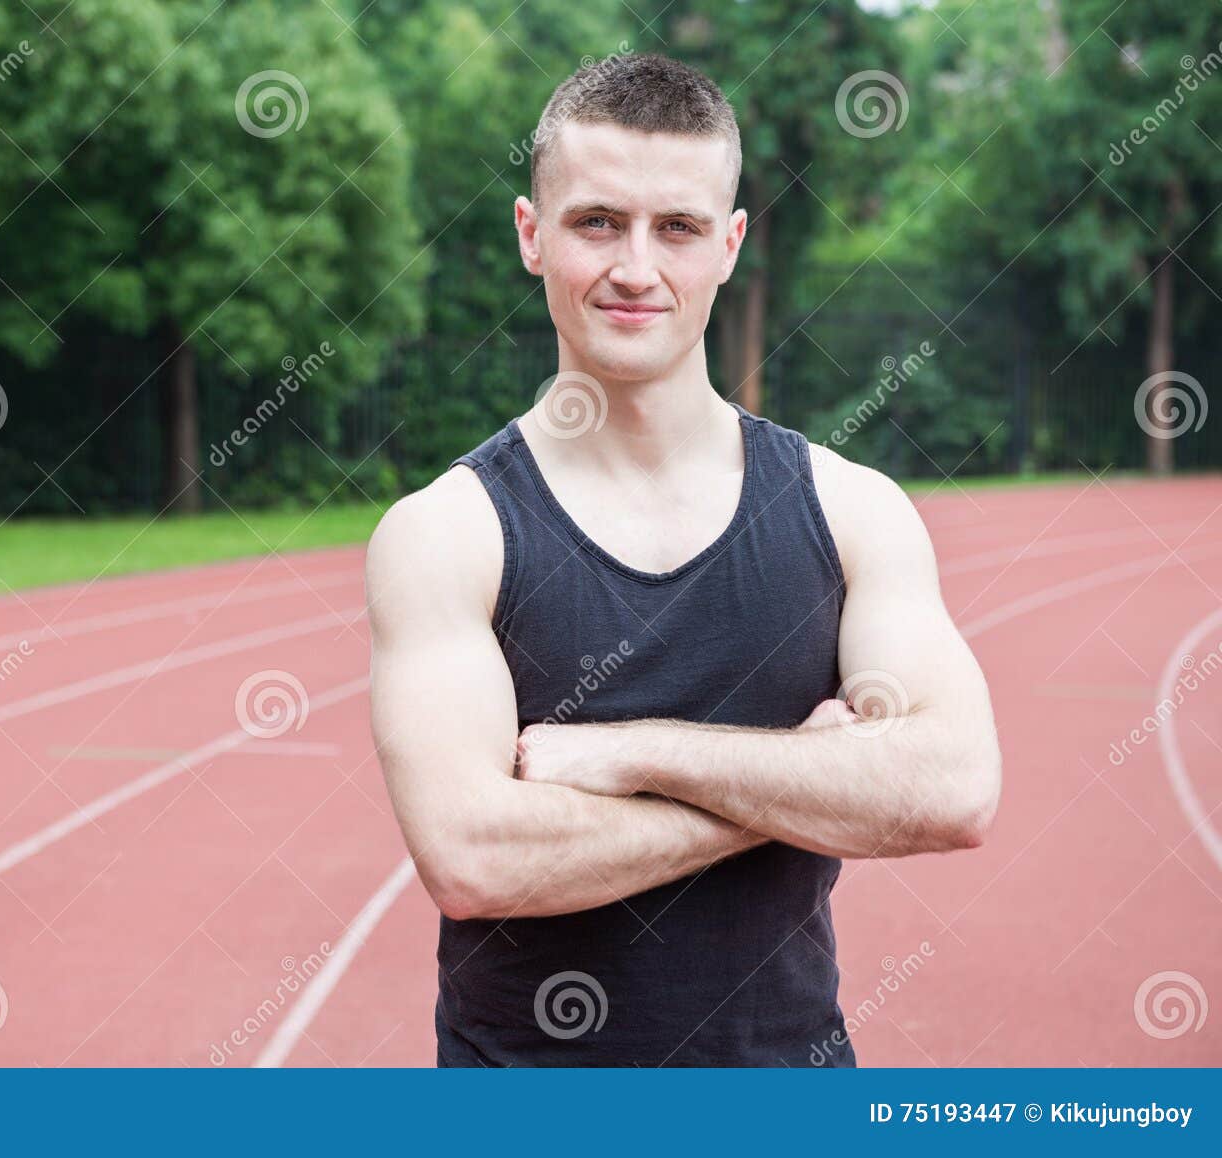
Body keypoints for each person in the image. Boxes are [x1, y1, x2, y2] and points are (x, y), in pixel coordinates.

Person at [363, 53, 1001, 1067]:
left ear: (729, 245)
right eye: (595, 222)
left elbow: (955, 788)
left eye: (677, 228)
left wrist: (641, 753)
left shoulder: (848, 511)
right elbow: (475, 858)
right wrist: (798, 784)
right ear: (532, 235)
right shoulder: (448, 534)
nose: (634, 268)